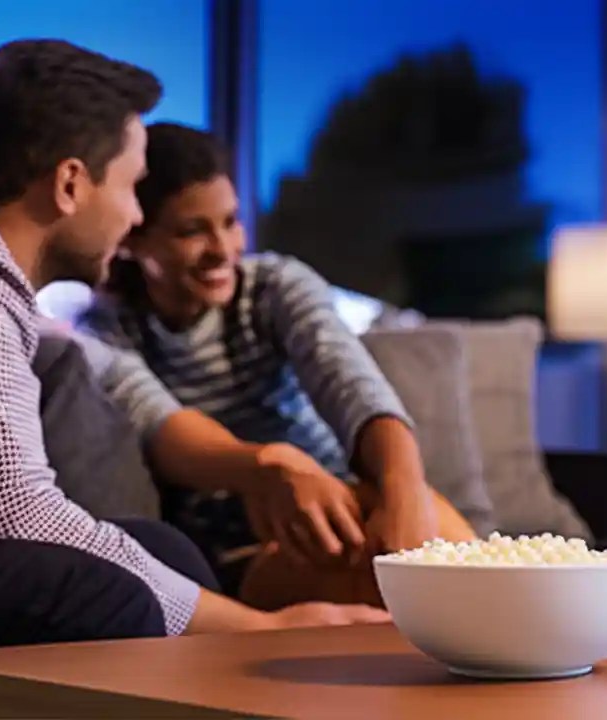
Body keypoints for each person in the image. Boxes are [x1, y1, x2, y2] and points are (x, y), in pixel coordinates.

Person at [0, 38, 389, 648]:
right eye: (132, 186)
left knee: (159, 549)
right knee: (110, 593)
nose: (136, 216)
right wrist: (260, 631)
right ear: (70, 184)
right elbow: (10, 515)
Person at [77, 122, 485, 608]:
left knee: (454, 566)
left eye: (230, 223)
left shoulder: (273, 286)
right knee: (403, 591)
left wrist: (405, 489)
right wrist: (270, 466)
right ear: (133, 239)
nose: (222, 250)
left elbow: (350, 382)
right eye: (192, 231)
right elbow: (164, 427)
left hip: (347, 501)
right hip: (240, 545)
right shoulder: (106, 330)